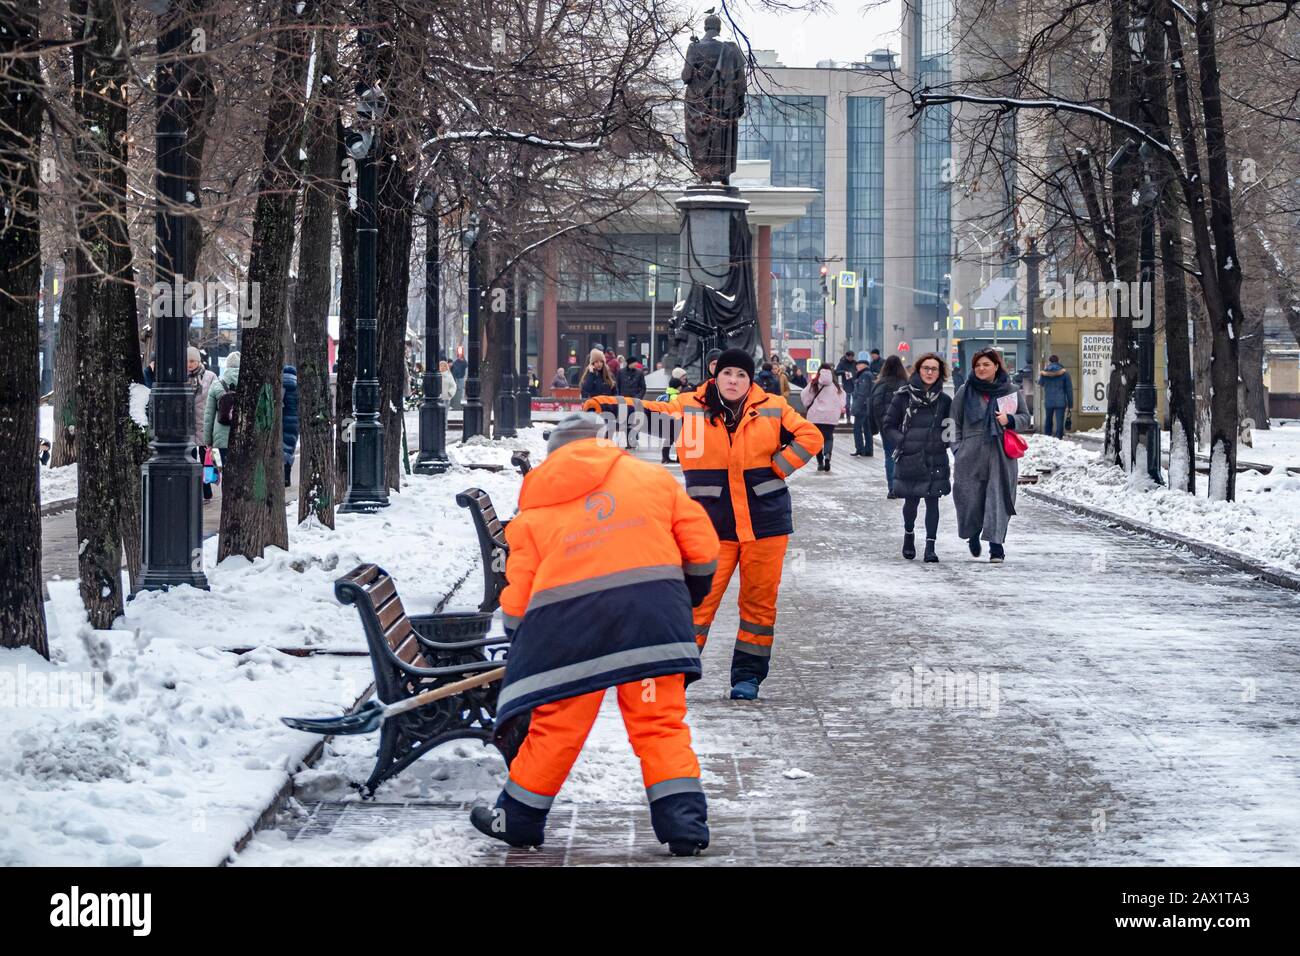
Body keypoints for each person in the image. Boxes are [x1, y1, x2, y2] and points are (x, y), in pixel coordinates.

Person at [472, 413, 719, 855]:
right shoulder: (652, 479)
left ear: (556, 456)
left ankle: (520, 819)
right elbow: (702, 546)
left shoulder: (535, 508)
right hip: (650, 625)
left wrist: (519, 635)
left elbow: (520, 589)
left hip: (570, 638)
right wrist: (688, 592)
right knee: (659, 724)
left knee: (556, 727)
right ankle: (684, 827)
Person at [583, 348, 822, 701]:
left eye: (741, 375)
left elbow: (811, 437)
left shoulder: (771, 406)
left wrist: (780, 466)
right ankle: (676, 673)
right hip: (710, 524)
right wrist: (605, 407)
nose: (734, 381)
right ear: (716, 375)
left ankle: (747, 677)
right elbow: (650, 414)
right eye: (728, 374)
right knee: (696, 602)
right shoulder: (689, 407)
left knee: (759, 605)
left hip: (765, 523)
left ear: (749, 379)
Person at [953, 348, 1030, 563]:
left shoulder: (1011, 391)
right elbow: (952, 422)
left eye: (986, 364)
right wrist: (957, 449)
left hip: (1000, 454)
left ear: (996, 366)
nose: (981, 368)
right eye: (977, 365)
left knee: (998, 498)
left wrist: (1010, 420)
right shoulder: (964, 391)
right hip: (970, 454)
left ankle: (996, 547)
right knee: (970, 498)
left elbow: (1025, 418)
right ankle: (973, 533)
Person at [882, 353, 953, 563]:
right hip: (910, 457)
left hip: (934, 459)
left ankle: (930, 546)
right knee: (911, 502)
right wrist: (901, 440)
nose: (930, 372)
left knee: (933, 503)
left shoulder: (944, 400)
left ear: (940, 373)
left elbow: (950, 429)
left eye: (934, 369)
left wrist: (943, 443)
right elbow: (888, 425)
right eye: (926, 368)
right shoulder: (903, 396)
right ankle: (909, 536)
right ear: (918, 370)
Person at [870, 355, 908, 498]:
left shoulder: (879, 385)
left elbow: (872, 407)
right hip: (903, 426)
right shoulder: (905, 384)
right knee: (903, 455)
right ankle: (901, 486)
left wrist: (874, 426)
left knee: (889, 455)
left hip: (885, 426)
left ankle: (892, 488)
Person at [801, 362, 845, 472]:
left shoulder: (814, 383)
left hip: (815, 416)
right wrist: (838, 409)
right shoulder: (835, 385)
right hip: (830, 417)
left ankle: (820, 463)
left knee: (817, 439)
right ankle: (827, 457)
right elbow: (842, 399)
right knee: (828, 437)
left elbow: (805, 395)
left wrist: (808, 405)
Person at [203, 351, 240, 479]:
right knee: (240, 473)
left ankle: (227, 497)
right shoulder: (249, 385)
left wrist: (208, 442)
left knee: (224, 471)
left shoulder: (217, 385)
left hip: (220, 439)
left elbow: (209, 416)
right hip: (241, 437)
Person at [187, 346, 217, 501]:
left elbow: (217, 398)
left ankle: (207, 492)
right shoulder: (182, 378)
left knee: (206, 461)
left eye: (192, 361)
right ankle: (192, 493)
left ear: (198, 361)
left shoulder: (210, 377)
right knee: (190, 460)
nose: (189, 364)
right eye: (187, 361)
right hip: (189, 427)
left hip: (205, 425)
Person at [1037, 355, 1073, 438]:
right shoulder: (1065, 374)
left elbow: (1040, 383)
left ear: (1049, 362)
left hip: (1049, 401)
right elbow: (1069, 390)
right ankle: (1058, 437)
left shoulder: (1044, 373)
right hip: (1061, 401)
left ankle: (1047, 436)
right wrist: (1070, 404)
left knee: (1048, 420)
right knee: (1059, 421)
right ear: (1058, 361)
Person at [849, 353, 876, 457]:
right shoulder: (868, 375)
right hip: (867, 406)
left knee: (857, 428)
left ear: (864, 366)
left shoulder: (864, 376)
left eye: (858, 365)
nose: (856, 366)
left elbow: (862, 393)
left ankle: (860, 449)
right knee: (867, 429)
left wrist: (856, 408)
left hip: (863, 407)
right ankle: (868, 450)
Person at [281, 364, 299, 487]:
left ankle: (283, 476)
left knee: (282, 448)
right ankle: (287, 476)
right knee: (290, 449)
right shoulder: (297, 388)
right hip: (294, 422)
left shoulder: (281, 386)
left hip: (282, 420)